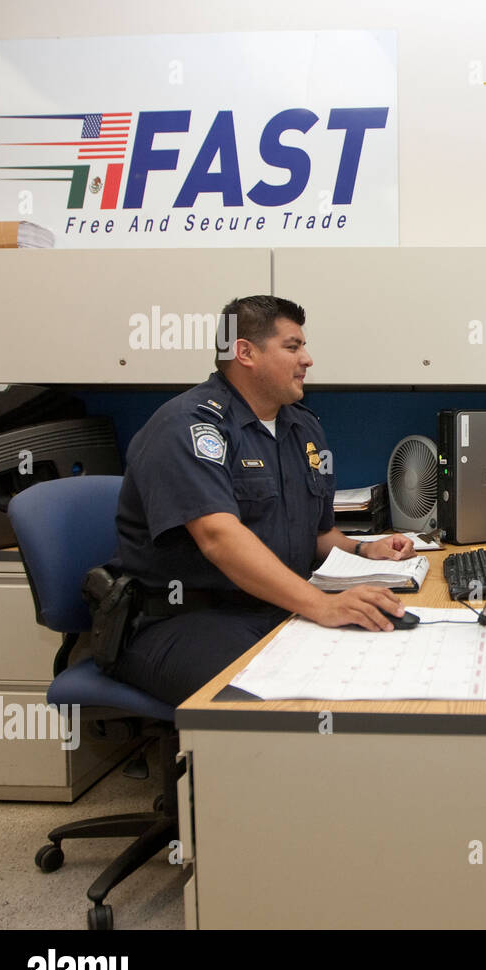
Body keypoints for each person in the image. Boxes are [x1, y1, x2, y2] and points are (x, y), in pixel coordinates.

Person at [111, 295, 412, 706]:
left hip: (274, 605)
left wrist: (363, 549)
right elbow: (219, 537)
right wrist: (321, 606)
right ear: (245, 352)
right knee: (280, 701)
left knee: (372, 662)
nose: (307, 359)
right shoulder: (191, 426)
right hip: (182, 619)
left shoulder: (301, 427)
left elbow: (316, 534)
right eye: (293, 346)